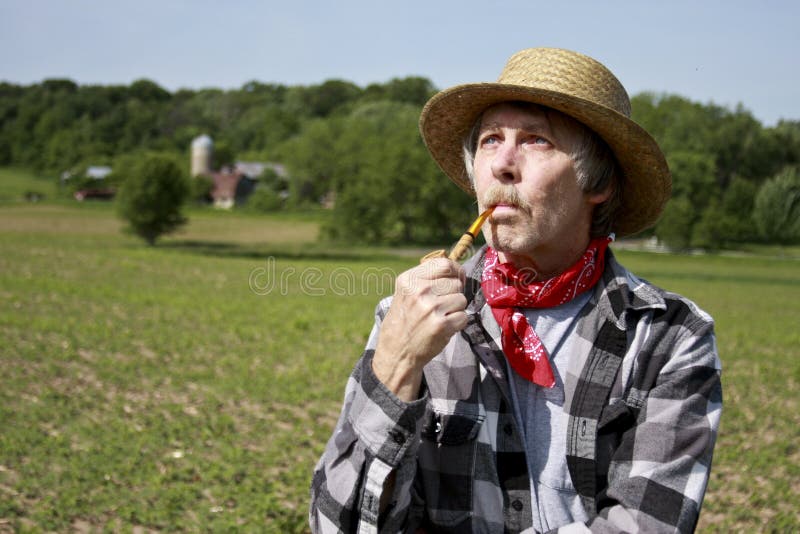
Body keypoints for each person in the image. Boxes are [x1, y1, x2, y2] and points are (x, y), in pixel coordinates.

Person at [309, 47, 722, 533]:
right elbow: (337, 525)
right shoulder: (411, 315)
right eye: (489, 140)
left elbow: (647, 525)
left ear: (600, 183)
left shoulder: (668, 337)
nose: (503, 164)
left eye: (536, 140)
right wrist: (396, 368)